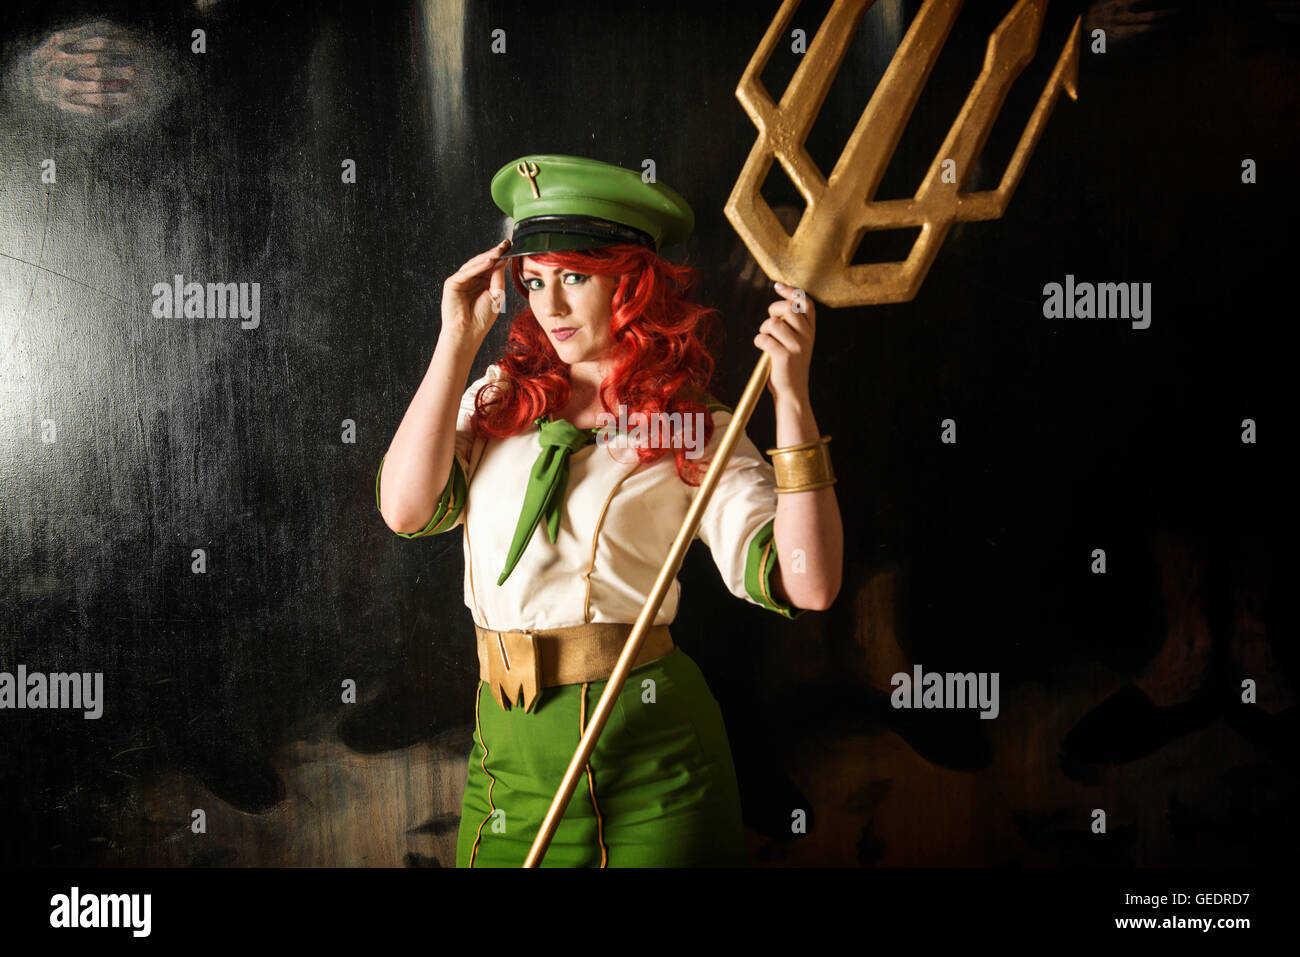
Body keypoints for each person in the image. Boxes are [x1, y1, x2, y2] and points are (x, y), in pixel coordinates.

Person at [376, 154, 843, 867]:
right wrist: (457, 340)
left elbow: (809, 582)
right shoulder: (497, 400)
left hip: (652, 765)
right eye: (534, 281)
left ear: (630, 281)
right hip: (508, 763)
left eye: (573, 277)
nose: (550, 306)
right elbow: (407, 511)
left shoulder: (695, 426)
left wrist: (794, 403)